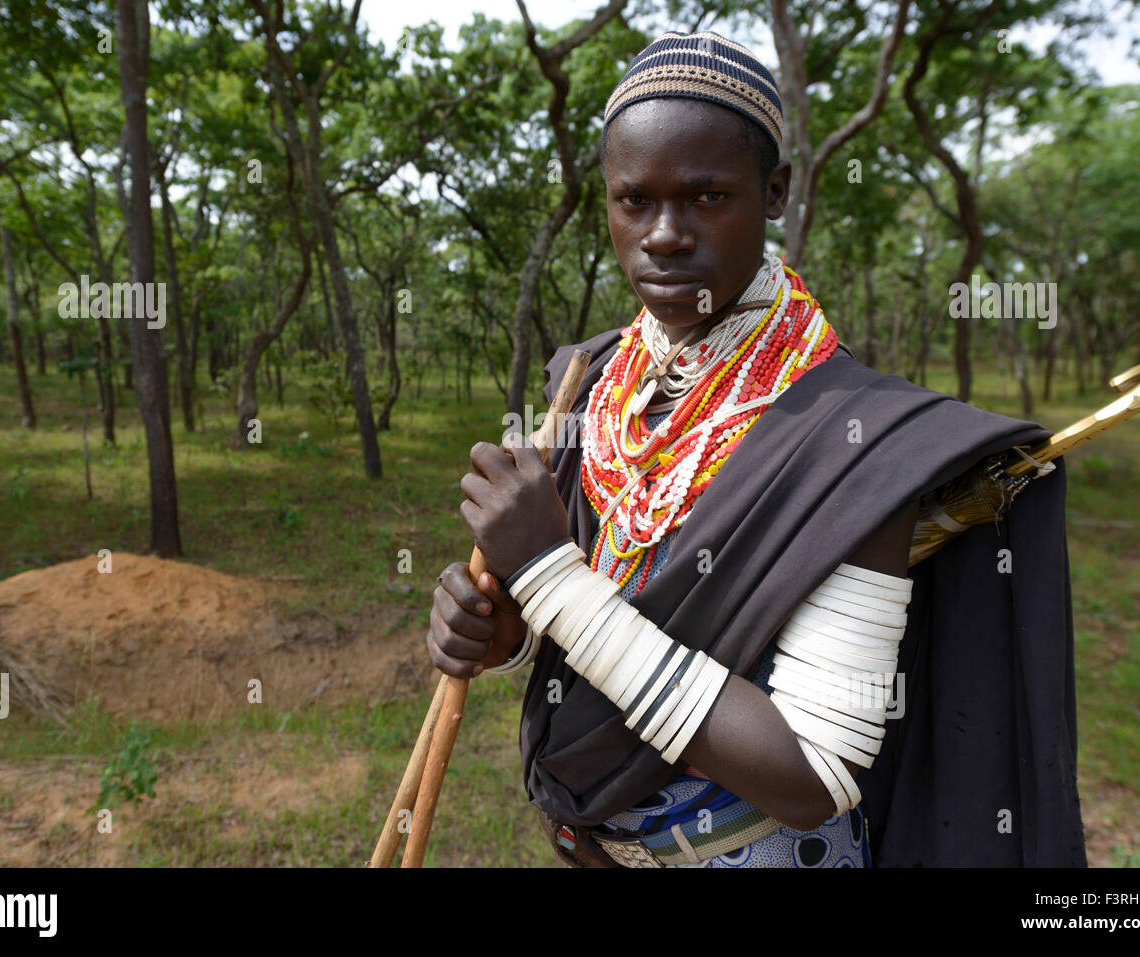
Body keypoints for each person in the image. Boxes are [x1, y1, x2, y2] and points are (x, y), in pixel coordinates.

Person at [426, 31, 1086, 867]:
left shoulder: (852, 438)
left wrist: (551, 578)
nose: (663, 235)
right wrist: (504, 626)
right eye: (634, 199)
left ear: (773, 193)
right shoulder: (590, 384)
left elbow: (811, 771)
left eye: (706, 197)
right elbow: (591, 608)